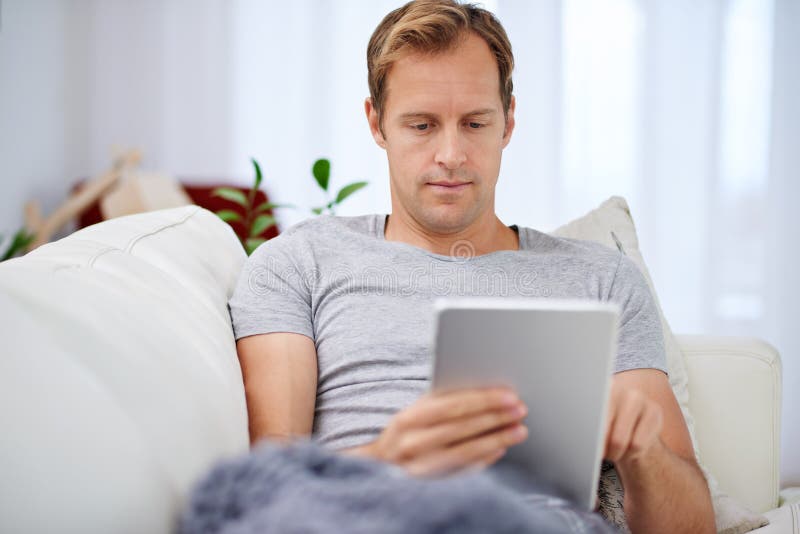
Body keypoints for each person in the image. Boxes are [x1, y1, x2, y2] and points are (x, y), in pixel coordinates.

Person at [229, 1, 715, 532]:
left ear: (508, 120)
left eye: (475, 123)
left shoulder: (604, 281)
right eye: (422, 125)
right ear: (376, 123)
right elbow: (268, 491)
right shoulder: (297, 263)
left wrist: (643, 454)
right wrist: (393, 458)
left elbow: (693, 525)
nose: (452, 154)